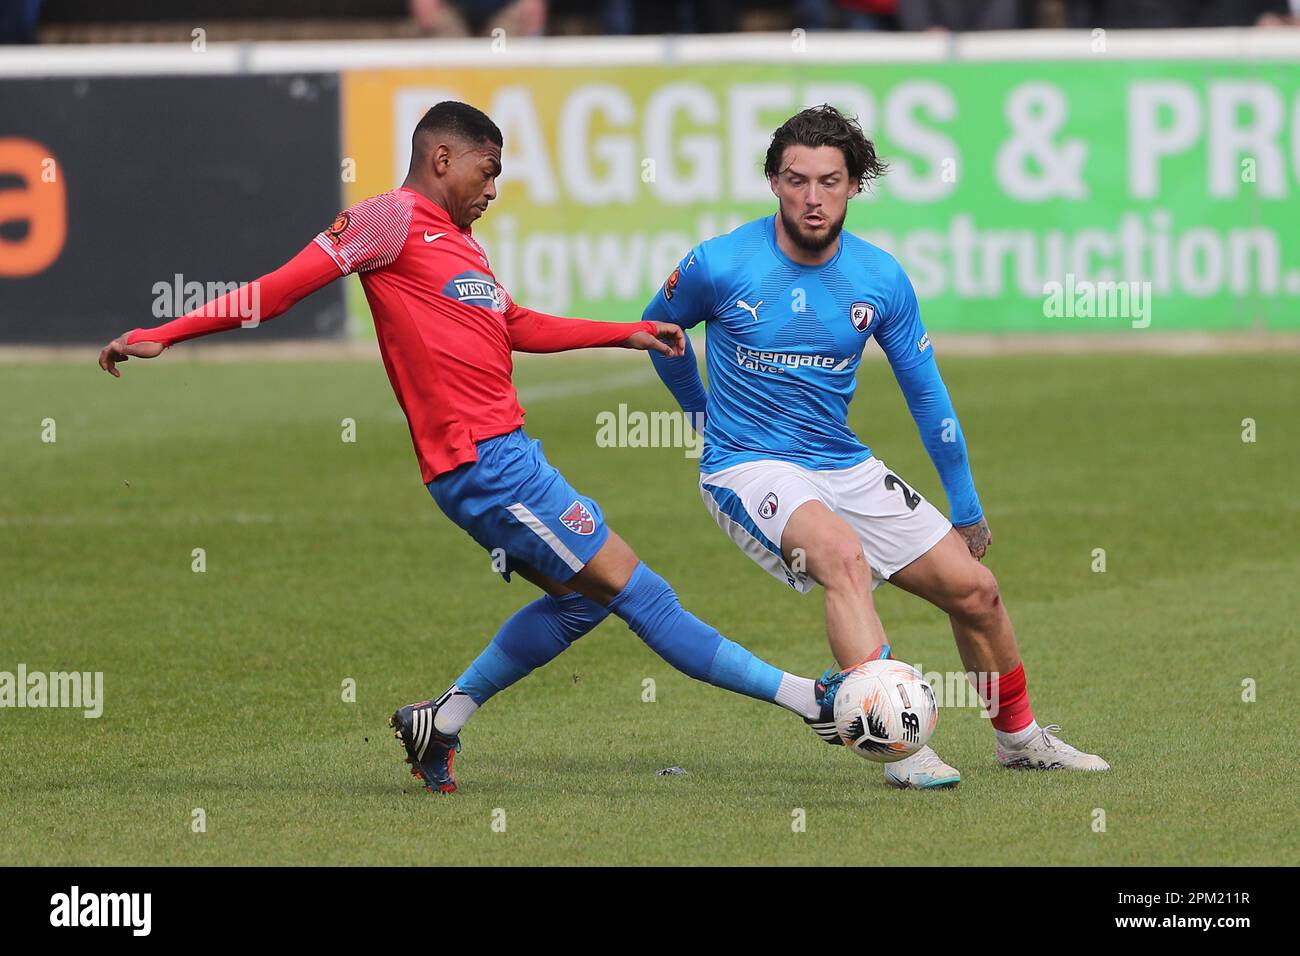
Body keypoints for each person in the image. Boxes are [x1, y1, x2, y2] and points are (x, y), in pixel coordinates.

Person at [98, 101, 835, 795]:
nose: (493, 189)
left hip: (507, 455)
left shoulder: (461, 246)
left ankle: (441, 722)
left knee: (585, 603)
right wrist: (170, 330)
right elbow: (283, 288)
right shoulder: (389, 218)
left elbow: (511, 323)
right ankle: (812, 701)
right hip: (485, 464)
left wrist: (625, 331)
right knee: (642, 594)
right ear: (441, 157)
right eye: (487, 172)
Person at [646, 105, 1109, 788]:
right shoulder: (720, 264)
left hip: (841, 461)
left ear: (855, 186)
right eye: (797, 180)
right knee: (842, 558)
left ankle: (1020, 739)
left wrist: (967, 504)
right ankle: (899, 745)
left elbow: (927, 395)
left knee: (977, 592)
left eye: (830, 181)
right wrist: (700, 417)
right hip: (749, 465)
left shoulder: (880, 278)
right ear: (773, 180)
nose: (812, 198)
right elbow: (659, 329)